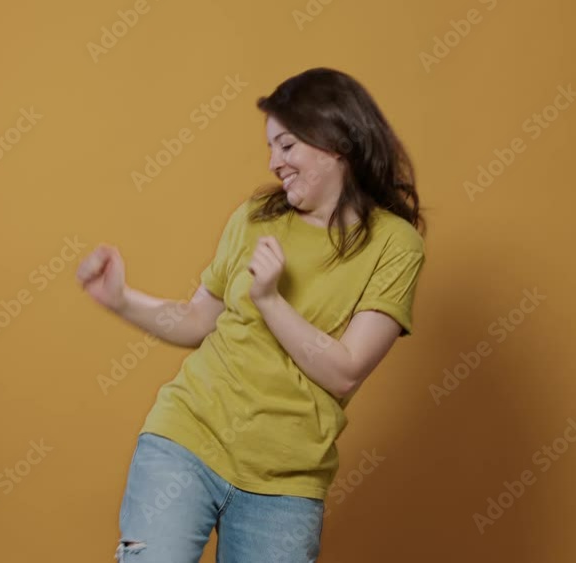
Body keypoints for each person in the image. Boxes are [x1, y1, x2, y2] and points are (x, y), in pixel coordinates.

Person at [77, 67, 426, 563]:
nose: (274, 162)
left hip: (286, 480)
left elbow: (345, 372)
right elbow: (198, 320)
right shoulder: (255, 218)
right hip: (189, 437)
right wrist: (122, 299)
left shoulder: (395, 245)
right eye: (270, 148)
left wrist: (270, 300)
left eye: (286, 146)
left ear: (336, 142)